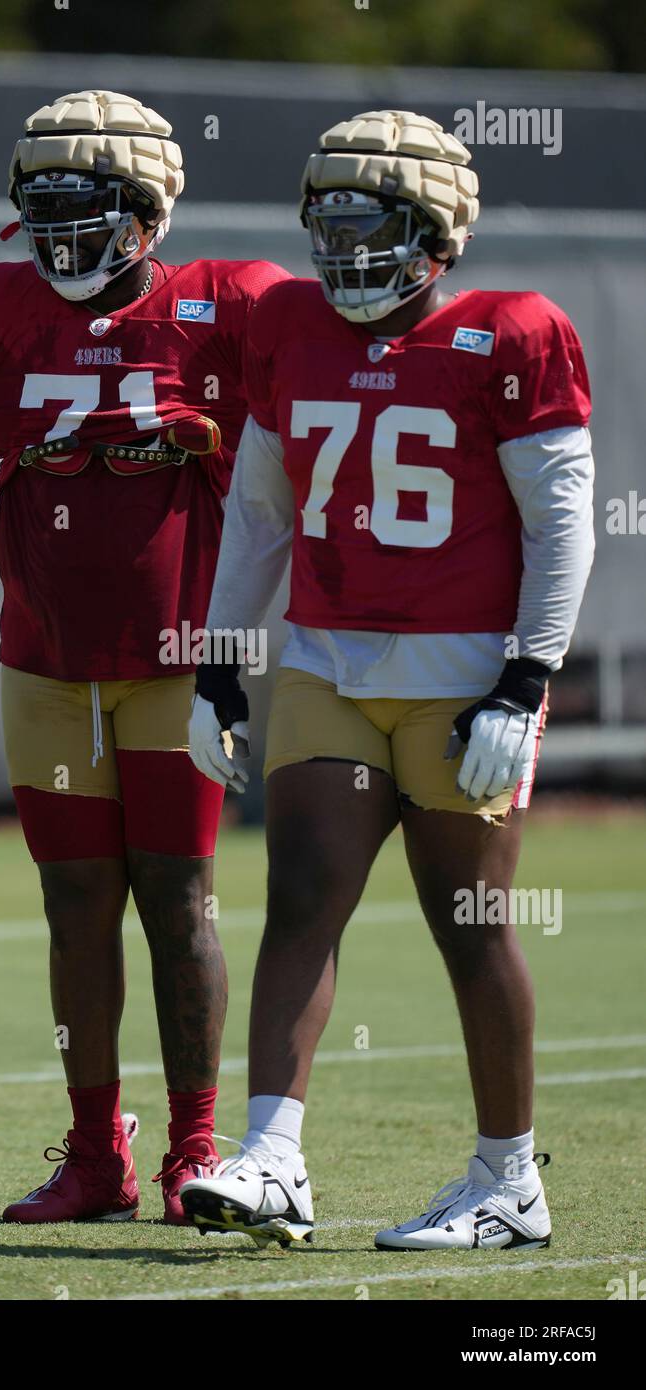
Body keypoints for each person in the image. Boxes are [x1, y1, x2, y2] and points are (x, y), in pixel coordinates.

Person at [0, 89, 289, 1225]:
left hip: (175, 654)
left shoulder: (227, 303)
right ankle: (96, 1152)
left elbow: (315, 416)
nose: (58, 239)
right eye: (41, 212)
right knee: (72, 902)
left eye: (84, 212)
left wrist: (220, 450)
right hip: (42, 657)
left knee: (176, 894)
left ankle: (194, 1150)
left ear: (147, 216)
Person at [181, 110, 594, 1251]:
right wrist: (219, 668)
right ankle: (273, 1157)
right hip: (325, 657)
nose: (344, 247)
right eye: (329, 220)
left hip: (463, 675)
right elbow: (258, 512)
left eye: (371, 221)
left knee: (468, 921)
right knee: (302, 897)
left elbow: (561, 528)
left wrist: (524, 679)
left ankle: (508, 1180)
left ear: (434, 232)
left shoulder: (513, 330)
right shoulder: (284, 323)